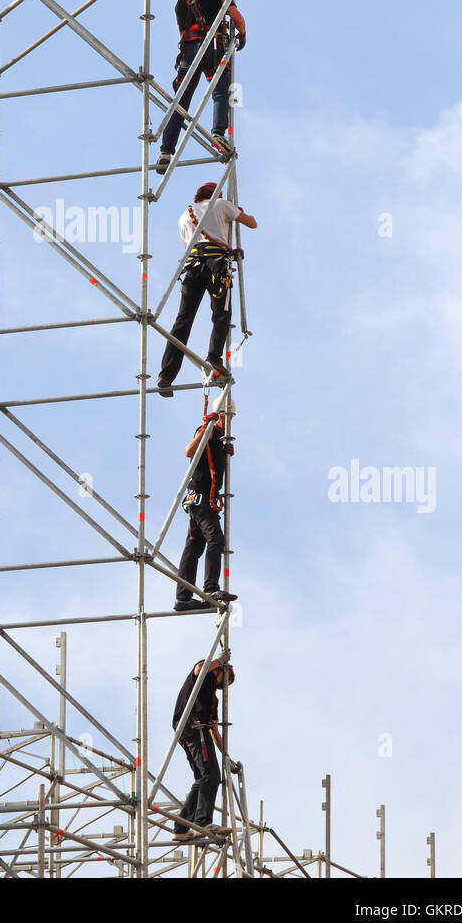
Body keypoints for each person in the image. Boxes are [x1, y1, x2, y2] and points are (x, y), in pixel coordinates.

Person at [157, 181, 257, 397]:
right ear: (217, 195)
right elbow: (252, 223)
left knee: (183, 320)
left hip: (193, 267)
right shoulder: (220, 204)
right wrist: (238, 211)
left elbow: (192, 245)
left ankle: (166, 375)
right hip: (216, 266)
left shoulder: (184, 216)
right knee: (221, 314)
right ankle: (214, 358)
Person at [156, 0, 246, 173]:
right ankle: (218, 133)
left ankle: (166, 151)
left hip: (188, 51)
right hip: (213, 47)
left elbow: (181, 30)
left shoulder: (181, 0)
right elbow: (238, 19)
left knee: (180, 102)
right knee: (220, 91)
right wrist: (242, 36)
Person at [174, 408, 238, 612]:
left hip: (203, 500)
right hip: (200, 498)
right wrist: (206, 429)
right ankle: (211, 588)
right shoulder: (206, 430)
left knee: (194, 547)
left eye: (231, 417)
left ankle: (183, 598)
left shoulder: (220, 439)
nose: (229, 420)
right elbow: (189, 451)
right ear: (219, 415)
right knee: (216, 539)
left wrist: (225, 451)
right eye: (227, 416)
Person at [171, 656, 235, 841]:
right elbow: (200, 667)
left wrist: (226, 756)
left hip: (194, 730)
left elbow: (214, 730)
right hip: (193, 726)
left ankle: (181, 828)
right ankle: (202, 822)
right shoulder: (202, 677)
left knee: (203, 777)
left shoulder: (212, 700)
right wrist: (220, 660)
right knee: (211, 775)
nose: (220, 686)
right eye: (223, 680)